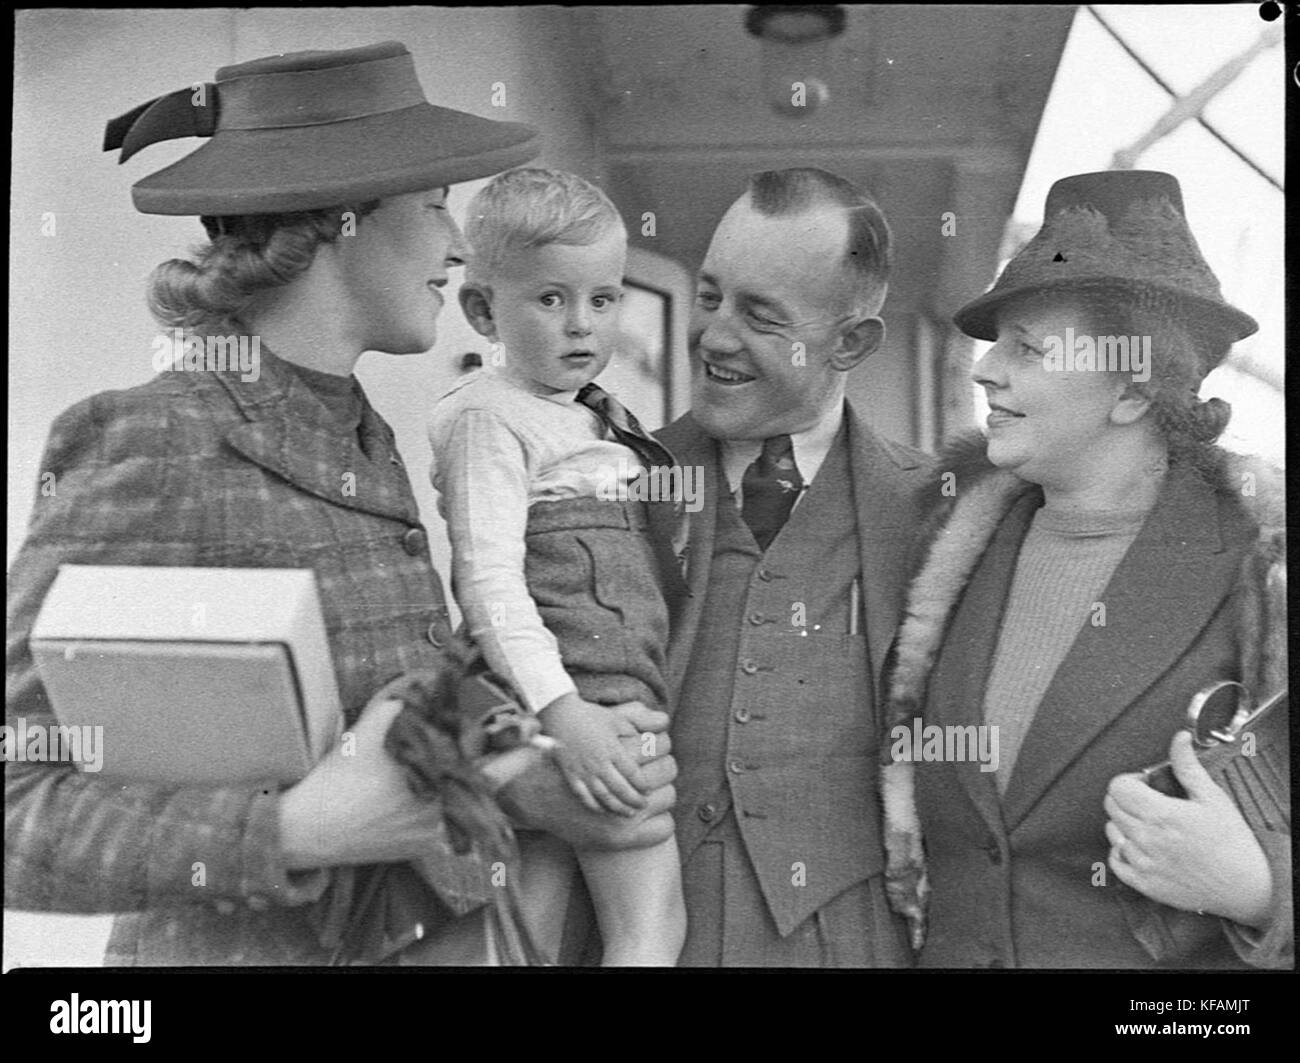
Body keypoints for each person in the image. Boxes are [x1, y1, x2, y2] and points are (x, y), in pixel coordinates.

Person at [5, 41, 676, 966]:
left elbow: (392, 719)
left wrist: (523, 773)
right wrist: (290, 832)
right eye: (437, 205)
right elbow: (17, 809)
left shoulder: (367, 431)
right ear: (343, 220)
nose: (456, 244)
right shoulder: (154, 438)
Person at [880, 170, 1291, 968]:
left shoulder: (1263, 566)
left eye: (1027, 348)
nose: (984, 369)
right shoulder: (946, 548)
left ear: (1133, 388)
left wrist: (1259, 888)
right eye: (998, 342)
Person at [629, 167, 932, 966]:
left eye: (761, 317)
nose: (714, 336)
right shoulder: (611, 483)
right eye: (709, 296)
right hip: (648, 937)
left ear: (852, 342)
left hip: (856, 945)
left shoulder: (936, 508)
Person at [427, 168, 686, 966]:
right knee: (650, 923)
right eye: (550, 299)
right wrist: (564, 711)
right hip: (578, 696)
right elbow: (489, 583)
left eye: (603, 300)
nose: (582, 326)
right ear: (482, 309)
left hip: (606, 688)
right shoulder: (487, 415)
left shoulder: (586, 417)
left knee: (531, 932)